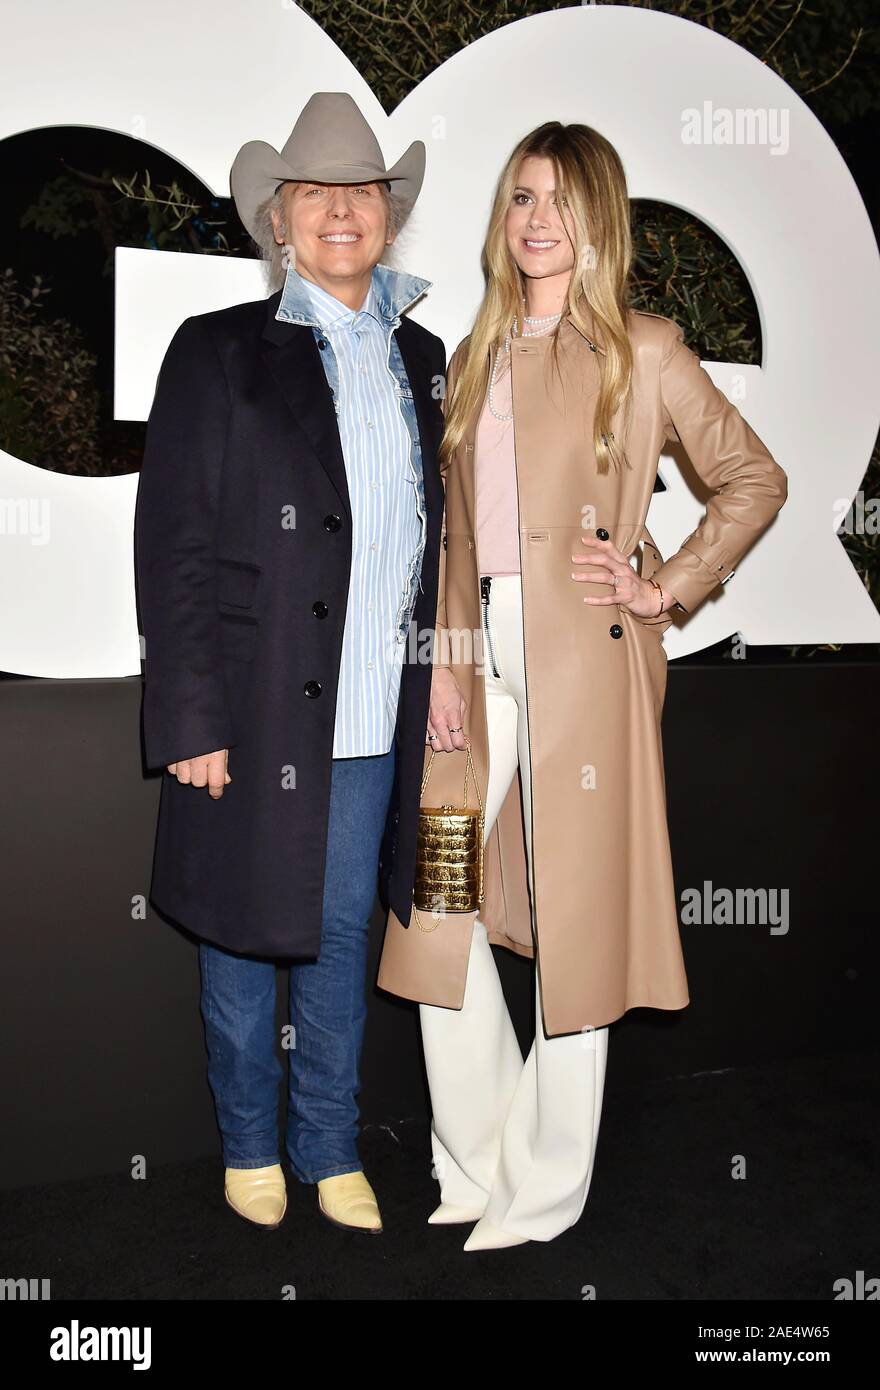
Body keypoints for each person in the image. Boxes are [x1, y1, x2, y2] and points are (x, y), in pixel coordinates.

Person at [377, 120, 788, 1250]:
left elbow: (753, 477)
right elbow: (453, 537)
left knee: (578, 929)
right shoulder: (473, 355)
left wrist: (668, 586)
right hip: (476, 671)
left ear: (595, 216)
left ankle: (548, 1185)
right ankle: (476, 1156)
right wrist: (448, 664)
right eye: (518, 196)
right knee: (437, 911)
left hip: (588, 675)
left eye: (556, 198)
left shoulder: (642, 350)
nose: (534, 218)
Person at [134, 92, 446, 1234]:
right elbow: (172, 548)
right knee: (235, 935)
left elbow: (436, 538)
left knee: (338, 942)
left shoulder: (425, 356)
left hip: (375, 708)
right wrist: (191, 720)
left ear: (389, 215)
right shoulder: (217, 353)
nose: (339, 210)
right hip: (254, 713)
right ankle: (252, 1144)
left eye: (360, 190)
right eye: (314, 192)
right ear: (280, 220)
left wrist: (445, 668)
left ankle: (327, 1142)